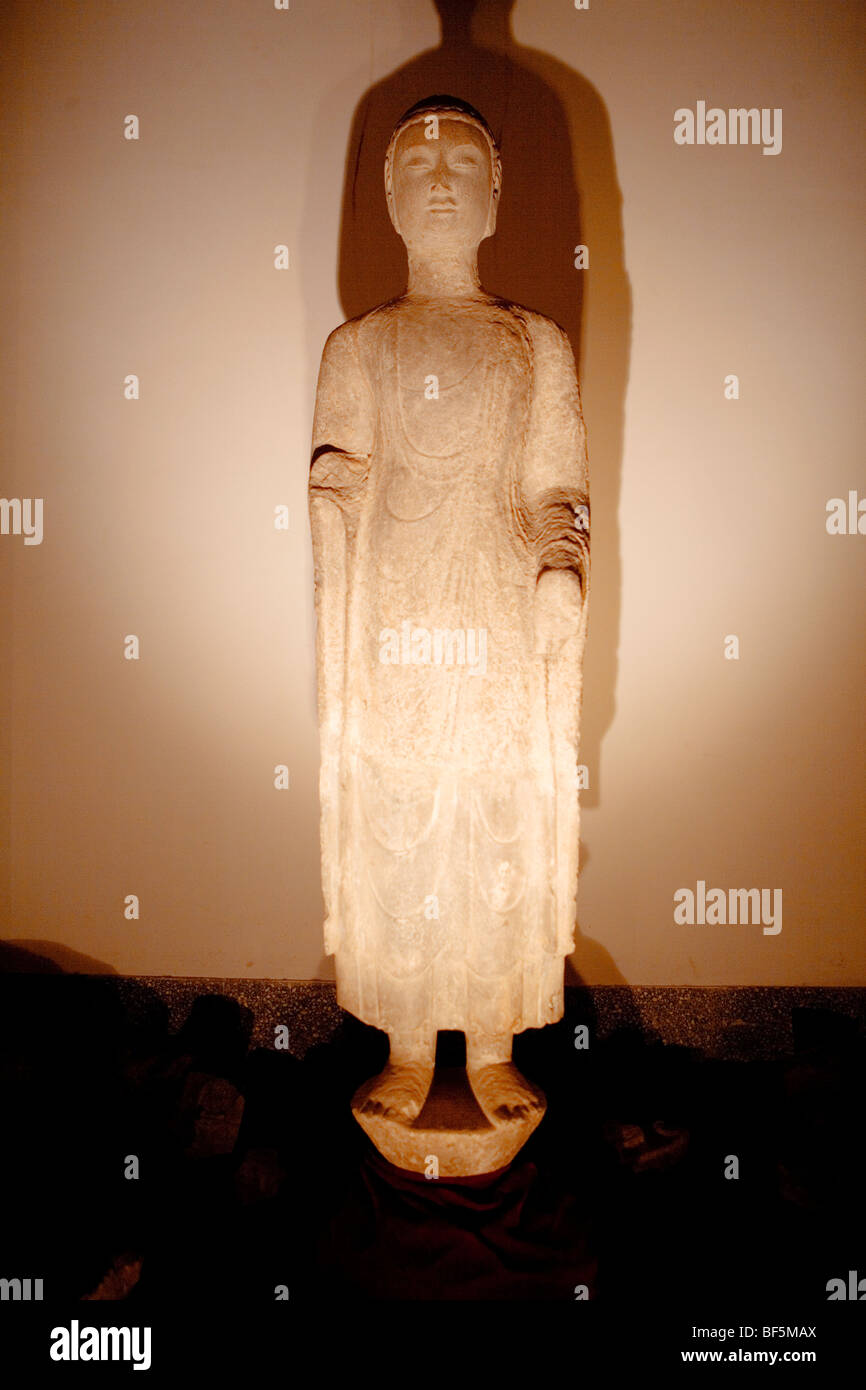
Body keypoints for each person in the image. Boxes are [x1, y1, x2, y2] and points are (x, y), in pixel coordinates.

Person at [309, 96, 590, 1129]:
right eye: (414, 158)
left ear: (493, 195)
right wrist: (335, 498)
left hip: (497, 617)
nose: (437, 173)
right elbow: (339, 479)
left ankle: (492, 1040)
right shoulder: (359, 347)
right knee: (402, 816)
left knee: (493, 815)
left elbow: (559, 487)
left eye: (461, 156)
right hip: (394, 618)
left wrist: (561, 560)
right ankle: (406, 1038)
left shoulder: (534, 343)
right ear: (386, 199)